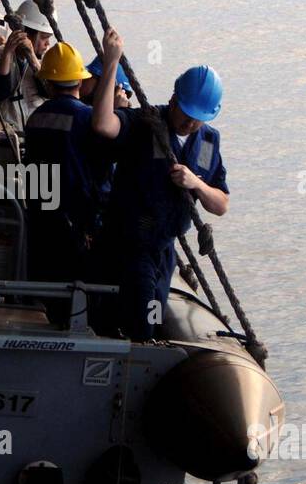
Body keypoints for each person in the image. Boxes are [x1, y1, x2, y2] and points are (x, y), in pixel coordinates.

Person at [91, 29, 229, 342]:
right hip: (128, 244)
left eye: (199, 118)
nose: (191, 123)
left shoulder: (208, 142)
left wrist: (196, 184)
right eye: (187, 114)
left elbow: (220, 204)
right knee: (141, 319)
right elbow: (102, 124)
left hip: (164, 249)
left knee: (154, 311)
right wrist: (111, 63)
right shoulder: (146, 123)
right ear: (173, 100)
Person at [24, 42, 115, 323]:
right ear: (81, 80)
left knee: (52, 290)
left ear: (49, 84)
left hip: (42, 218)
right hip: (78, 222)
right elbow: (102, 172)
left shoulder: (35, 118)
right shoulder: (88, 119)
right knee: (82, 291)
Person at [0, 0, 54, 130]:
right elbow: (1, 92)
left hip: (32, 133)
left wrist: (32, 57)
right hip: (3, 133)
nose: (47, 44)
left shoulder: (46, 62)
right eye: (44, 38)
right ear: (27, 35)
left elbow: (48, 91)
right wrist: (8, 53)